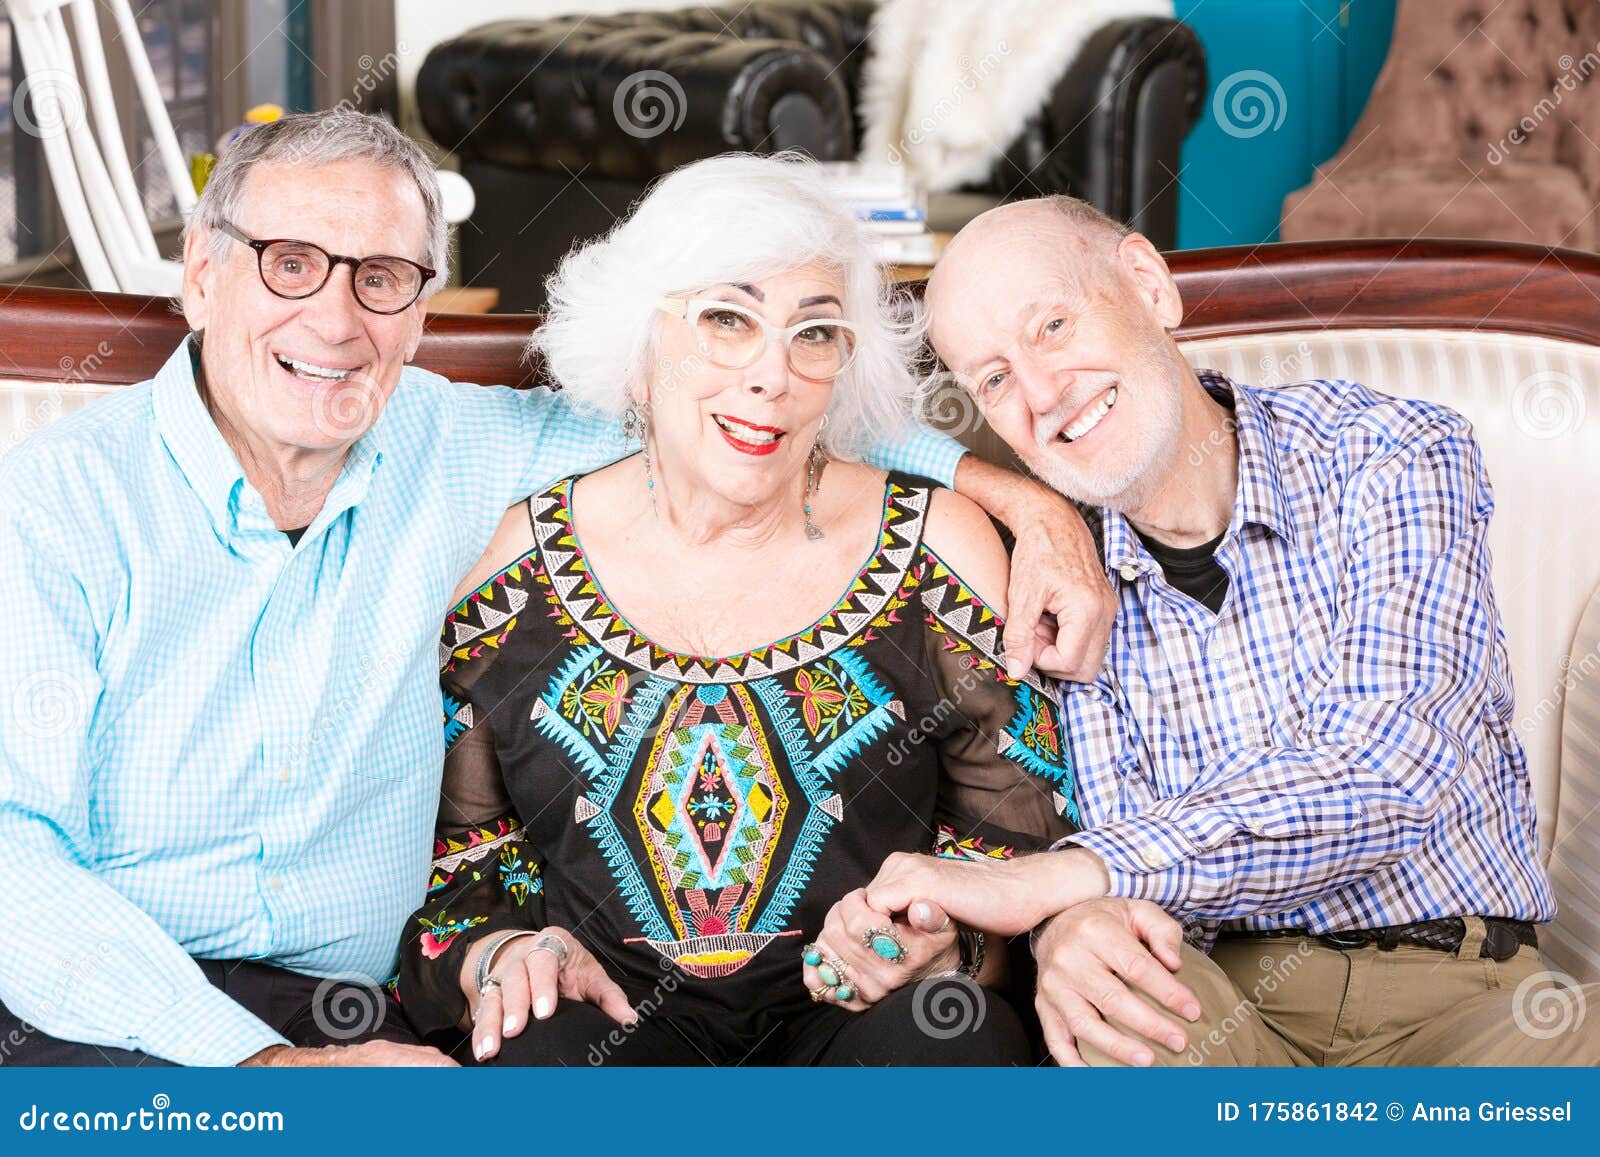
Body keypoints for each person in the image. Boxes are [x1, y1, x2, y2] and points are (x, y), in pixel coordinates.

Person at [0, 113, 1110, 1067]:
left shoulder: (453, 443)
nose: (335, 321)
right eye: (289, 260)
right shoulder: (53, 505)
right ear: (201, 271)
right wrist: (259, 1063)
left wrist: (1021, 499)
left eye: (381, 277)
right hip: (109, 1007)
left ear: (420, 303)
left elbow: (743, 408)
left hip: (357, 1020)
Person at [859, 194, 1600, 1066]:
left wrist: (1063, 880)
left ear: (1147, 285)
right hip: (1210, 1007)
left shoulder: (1389, 454)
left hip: (1473, 1005)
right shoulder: (1057, 572)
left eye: (1053, 325)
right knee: (1107, 986)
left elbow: (1387, 772)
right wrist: (1019, 496)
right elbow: (810, 414)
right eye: (992, 379)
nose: (1041, 393)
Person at [393, 155, 1081, 1066]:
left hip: (867, 1033)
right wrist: (503, 953)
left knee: (954, 1034)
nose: (772, 374)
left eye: (814, 333)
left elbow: (1020, 859)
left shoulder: (937, 549)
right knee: (532, 1043)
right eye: (726, 318)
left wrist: (948, 945)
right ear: (641, 347)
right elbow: (460, 872)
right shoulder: (513, 571)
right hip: (606, 1034)